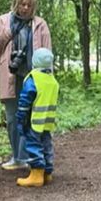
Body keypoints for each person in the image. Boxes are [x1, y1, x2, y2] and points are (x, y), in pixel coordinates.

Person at [0, 0, 52, 171]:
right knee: (13, 118)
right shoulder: (4, 22)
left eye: (29, 5)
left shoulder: (40, 25)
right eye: (22, 4)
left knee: (32, 117)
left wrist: (49, 80)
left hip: (34, 79)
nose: (25, 8)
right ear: (16, 3)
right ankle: (17, 156)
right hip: (10, 76)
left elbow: (48, 54)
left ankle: (29, 156)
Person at [15, 48, 59, 187]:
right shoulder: (52, 80)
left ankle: (36, 174)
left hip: (33, 120)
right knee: (46, 145)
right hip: (48, 121)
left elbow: (25, 100)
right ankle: (47, 173)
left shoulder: (33, 78)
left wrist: (20, 117)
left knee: (33, 145)